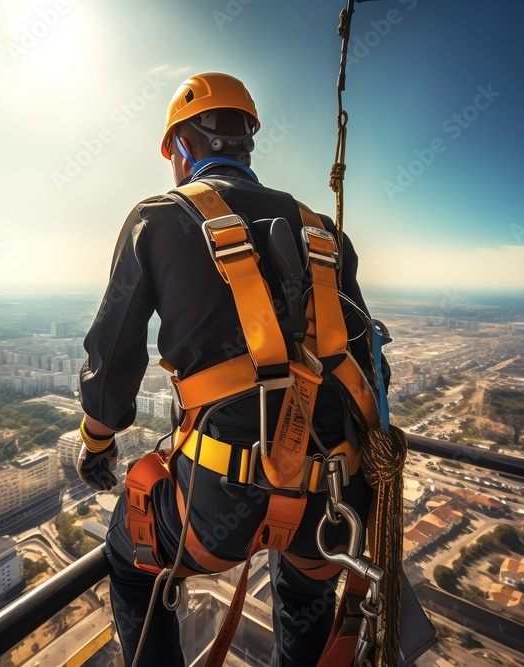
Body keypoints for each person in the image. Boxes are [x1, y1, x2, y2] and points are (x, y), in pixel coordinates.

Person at [76, 72, 390, 667]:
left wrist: (97, 441)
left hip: (218, 502)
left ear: (181, 147)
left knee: (131, 558)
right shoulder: (324, 232)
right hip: (333, 497)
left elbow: (114, 355)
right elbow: (366, 362)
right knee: (304, 590)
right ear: (247, 142)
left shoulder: (157, 218)